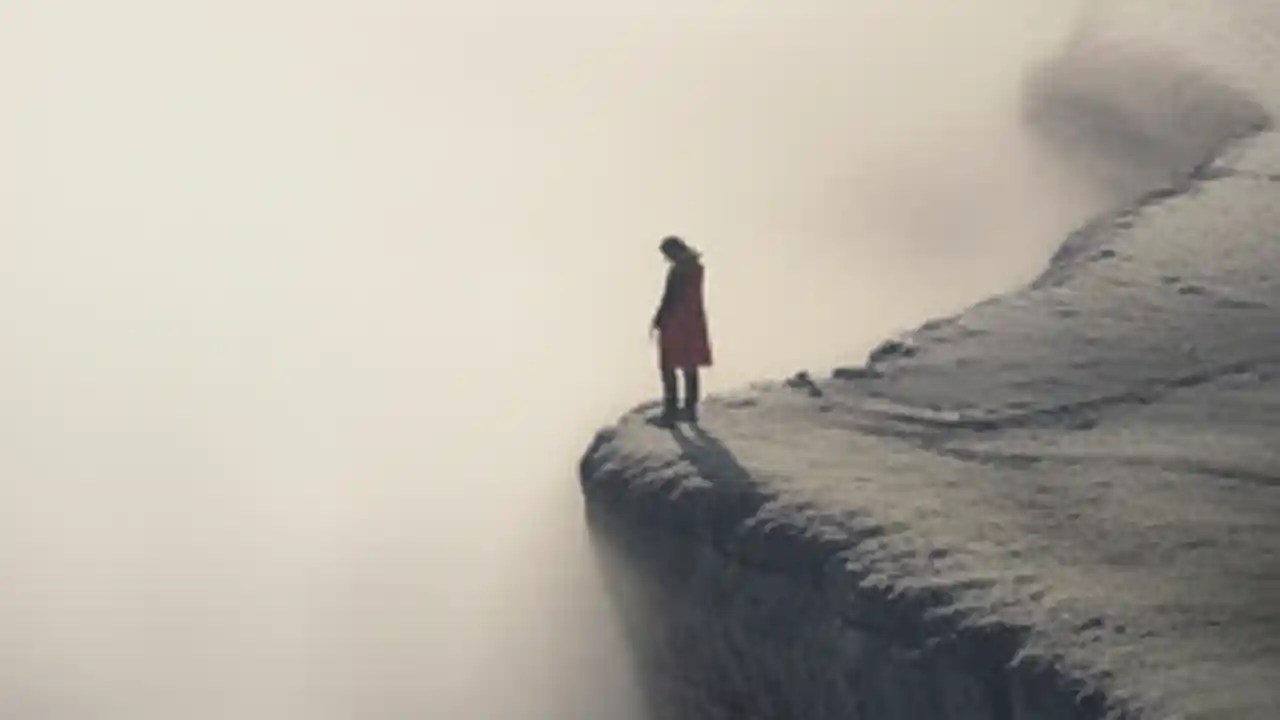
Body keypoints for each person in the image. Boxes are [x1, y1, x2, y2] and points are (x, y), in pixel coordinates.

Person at [650, 235, 713, 426]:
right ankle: (689, 408)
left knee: (669, 366)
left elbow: (670, 298)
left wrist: (659, 319)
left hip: (676, 322)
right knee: (689, 365)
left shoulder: (679, 270)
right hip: (692, 320)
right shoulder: (695, 267)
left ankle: (671, 410)